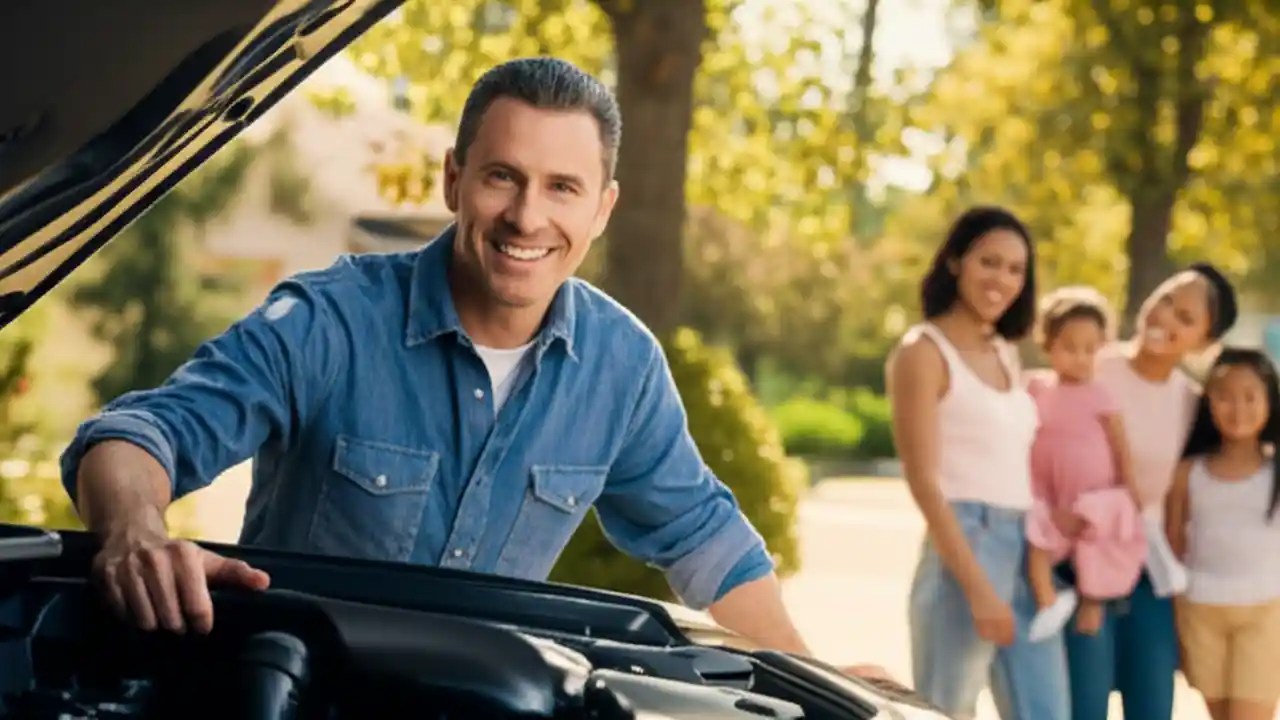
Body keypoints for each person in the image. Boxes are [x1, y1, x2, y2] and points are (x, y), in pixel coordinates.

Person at [56, 57, 847, 668]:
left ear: (602, 208)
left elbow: (703, 537)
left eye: (562, 188)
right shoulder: (329, 320)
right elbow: (139, 435)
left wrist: (818, 677)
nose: (527, 217)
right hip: (293, 696)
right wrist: (134, 533)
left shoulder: (622, 366)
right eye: (503, 177)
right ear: (453, 179)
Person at [887, 206, 1070, 720]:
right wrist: (977, 587)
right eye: (989, 262)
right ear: (954, 262)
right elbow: (923, 481)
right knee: (948, 711)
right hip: (966, 543)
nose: (1002, 279)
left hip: (1026, 548)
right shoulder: (922, 352)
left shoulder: (1005, 349)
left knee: (1046, 711)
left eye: (1015, 269)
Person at [1062, 262, 1238, 720]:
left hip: (1148, 570)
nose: (1165, 317)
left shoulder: (1195, 406)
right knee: (1085, 705)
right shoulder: (1091, 365)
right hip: (1078, 563)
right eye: (1165, 300)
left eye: (1186, 318)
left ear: (1204, 341)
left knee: (1152, 706)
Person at [1022, 286, 1146, 643]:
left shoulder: (1101, 395)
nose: (1080, 358)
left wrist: (1130, 488)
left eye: (1090, 349)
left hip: (1093, 495)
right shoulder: (1037, 388)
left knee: (1096, 545)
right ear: (1048, 345)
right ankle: (1048, 602)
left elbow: (1120, 446)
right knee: (1038, 540)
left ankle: (1093, 601)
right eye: (1069, 347)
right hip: (1049, 494)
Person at [1166, 348, 1280, 720]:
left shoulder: (1275, 470)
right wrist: (1178, 623)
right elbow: (1173, 548)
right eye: (1225, 396)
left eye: (1250, 397)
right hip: (1201, 613)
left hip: (1265, 613)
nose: (1238, 408)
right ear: (1208, 402)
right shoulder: (1188, 472)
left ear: (1269, 402)